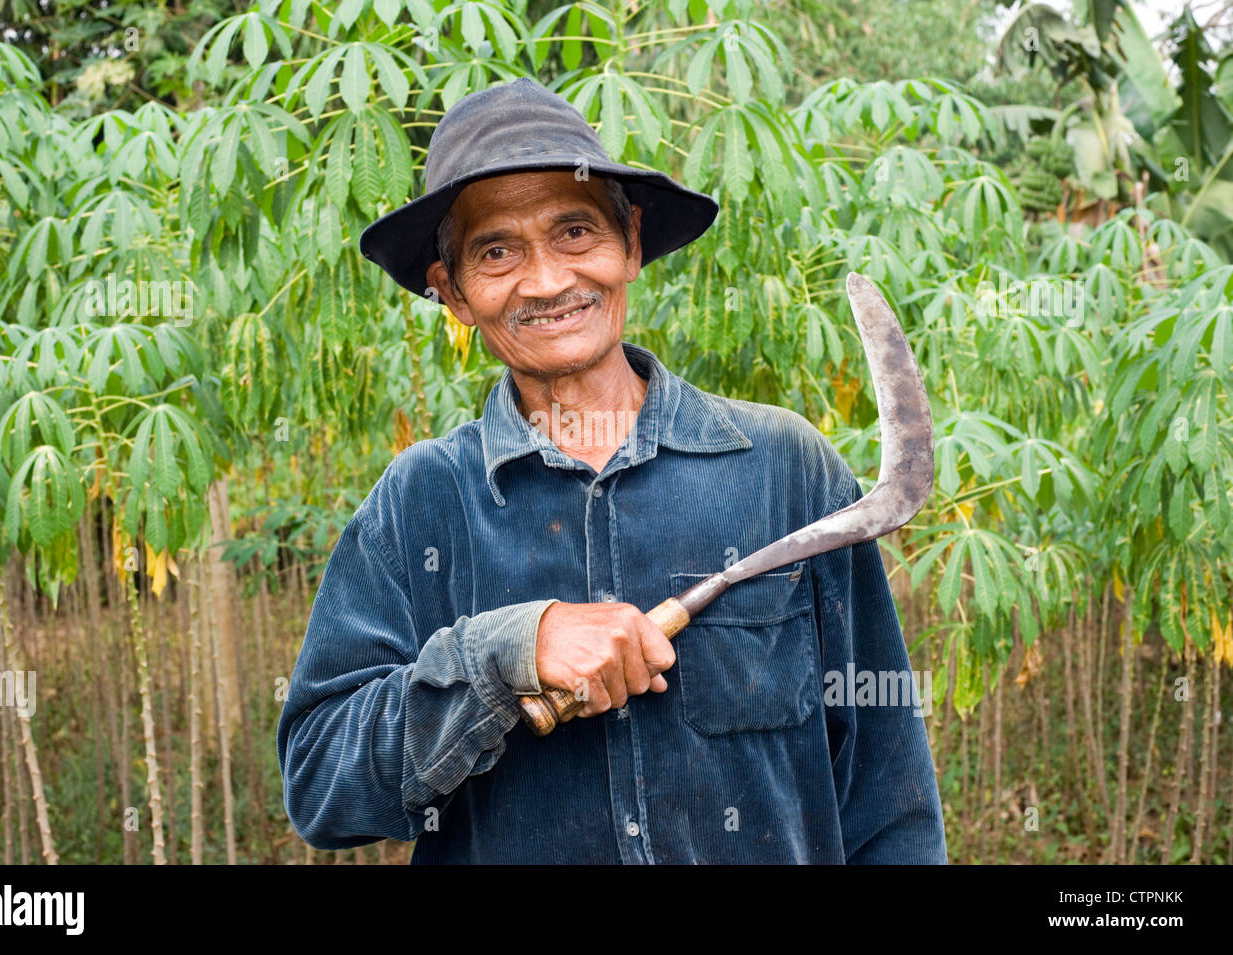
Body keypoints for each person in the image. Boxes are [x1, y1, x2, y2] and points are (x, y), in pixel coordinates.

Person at [276, 76, 947, 864]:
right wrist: (503, 653)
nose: (549, 280)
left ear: (630, 242)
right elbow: (321, 786)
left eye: (574, 233)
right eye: (496, 251)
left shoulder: (784, 471)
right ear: (451, 292)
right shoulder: (419, 502)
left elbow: (888, 794)